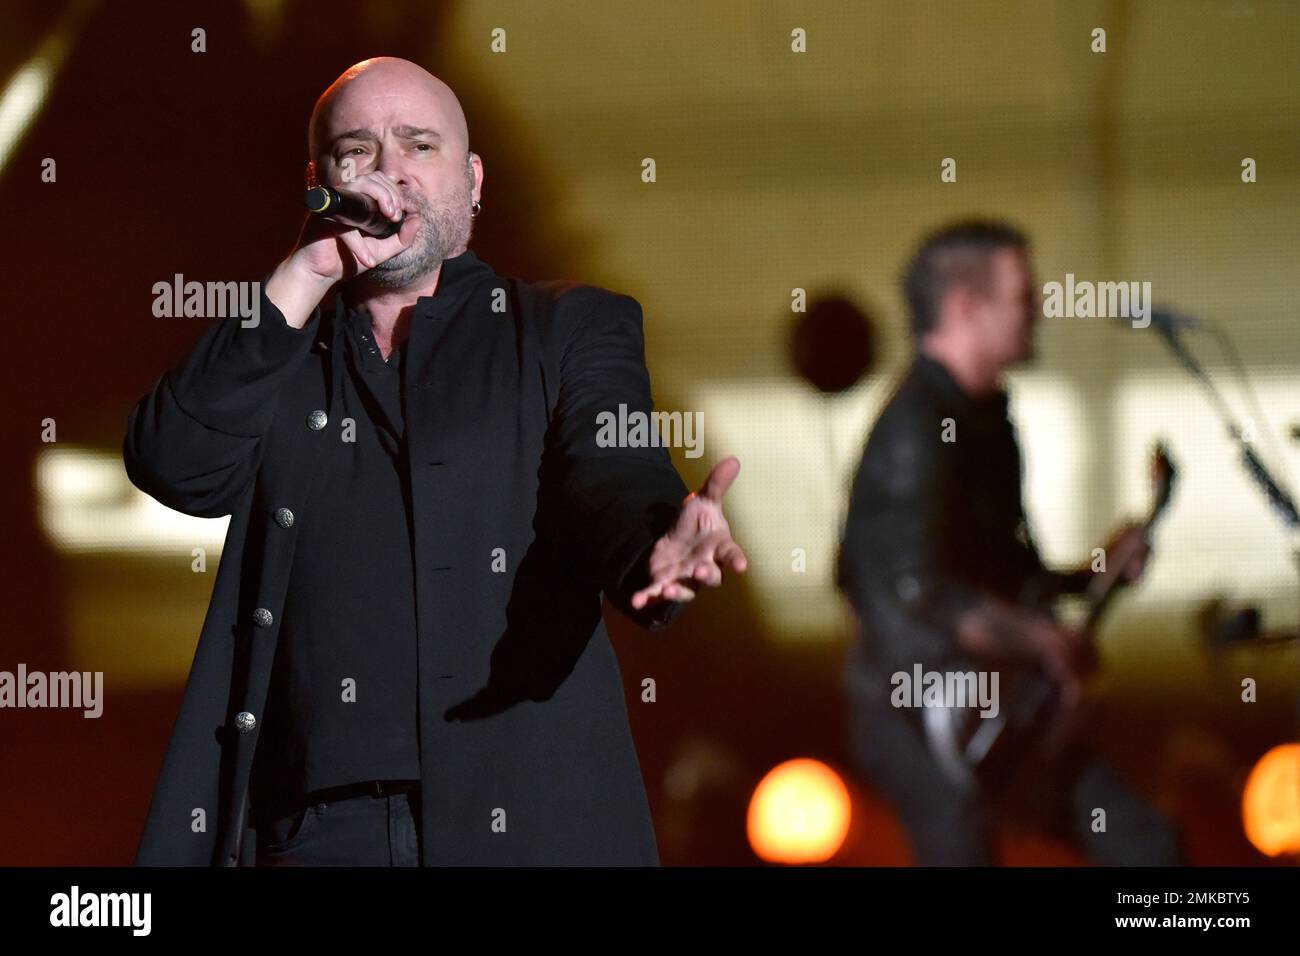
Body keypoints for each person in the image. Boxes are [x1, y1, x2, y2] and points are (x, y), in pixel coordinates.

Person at [126, 56, 747, 866]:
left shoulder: (563, 328)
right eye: (359, 150)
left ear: (474, 180)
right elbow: (176, 462)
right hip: (318, 828)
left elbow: (612, 466)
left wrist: (656, 536)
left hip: (522, 818)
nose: (389, 171)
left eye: (419, 146)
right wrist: (305, 270)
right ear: (319, 182)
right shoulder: (280, 352)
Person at [835, 220, 1183, 865]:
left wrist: (1093, 572)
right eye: (1024, 294)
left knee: (1148, 849)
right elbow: (921, 600)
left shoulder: (986, 418)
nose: (1041, 308)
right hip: (919, 717)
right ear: (966, 306)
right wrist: (1043, 640)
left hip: (995, 707)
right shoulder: (916, 431)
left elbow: (1003, 574)